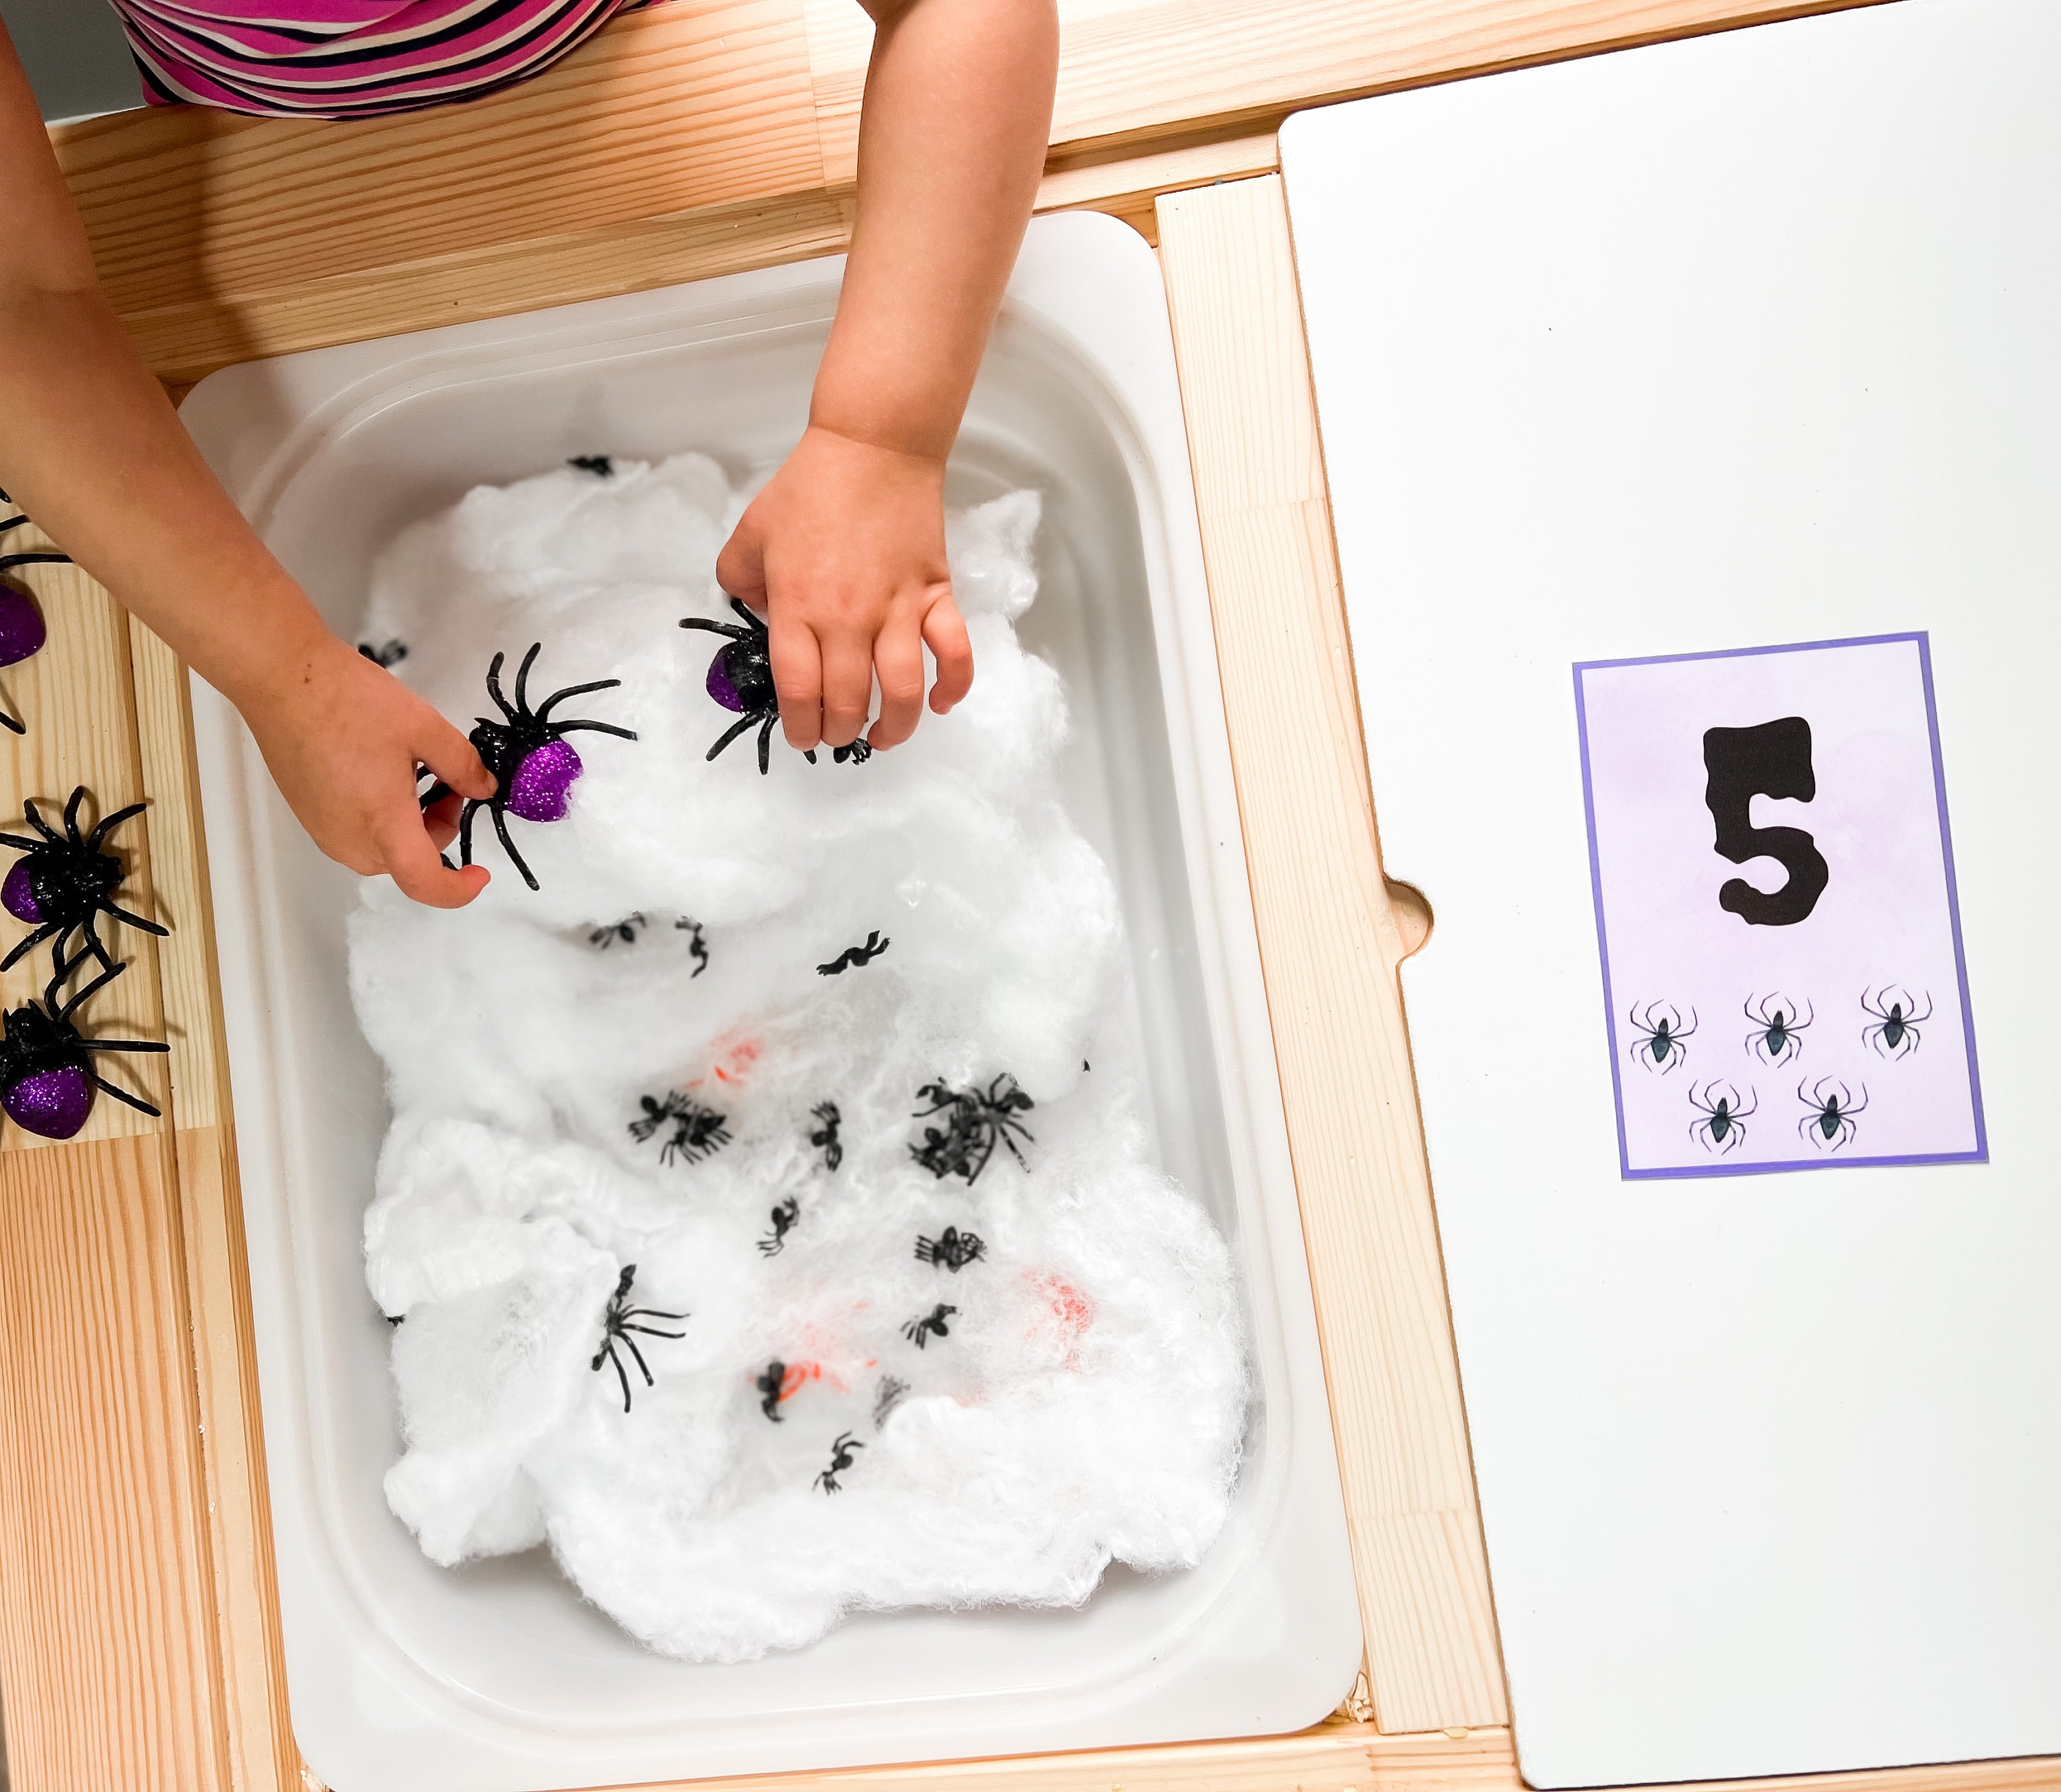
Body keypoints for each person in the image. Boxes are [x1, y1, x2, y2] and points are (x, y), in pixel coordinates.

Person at [0, 0, 1059, 905]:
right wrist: (284, 675)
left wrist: (880, 437)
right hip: (265, 142)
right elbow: (19, 301)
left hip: (625, 88)